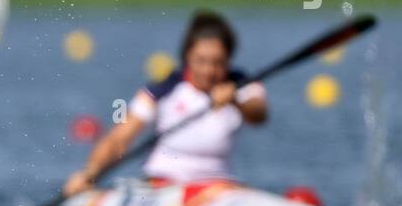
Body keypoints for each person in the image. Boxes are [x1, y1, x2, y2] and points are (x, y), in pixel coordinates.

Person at [63, 11, 267, 196]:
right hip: (163, 185)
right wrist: (89, 173)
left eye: (218, 62)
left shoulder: (241, 84)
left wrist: (236, 101)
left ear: (229, 60)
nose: (209, 71)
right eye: (201, 61)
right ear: (187, 57)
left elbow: (259, 115)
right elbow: (119, 139)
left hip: (220, 187)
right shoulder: (163, 89)